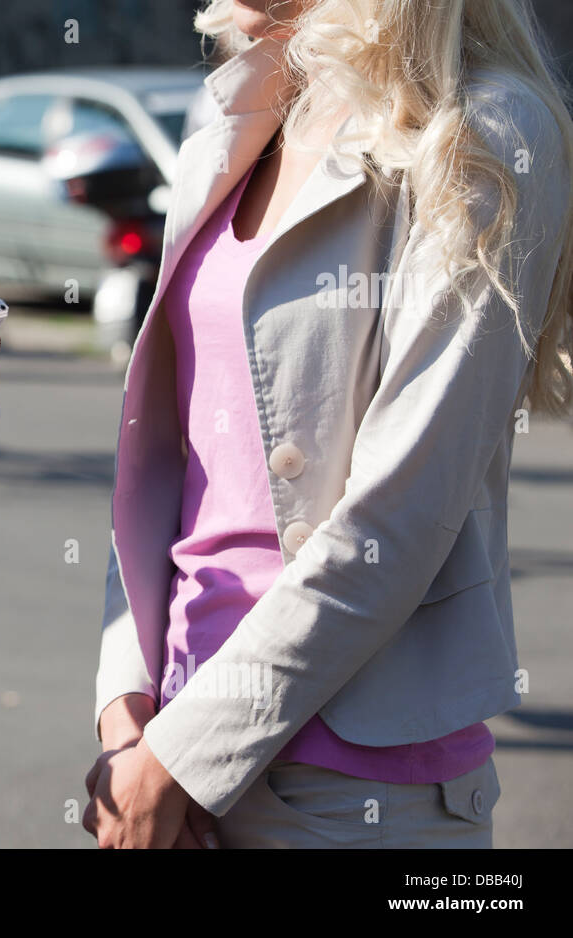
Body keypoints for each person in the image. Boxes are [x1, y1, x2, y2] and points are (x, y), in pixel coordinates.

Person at [85, 0, 573, 848]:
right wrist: (125, 709)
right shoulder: (231, 131)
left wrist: (179, 758)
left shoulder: (482, 128)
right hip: (168, 748)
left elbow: (402, 511)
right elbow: (164, 467)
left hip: (354, 797)